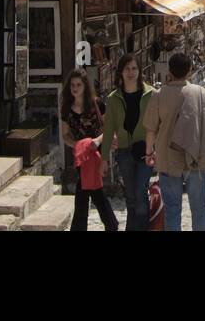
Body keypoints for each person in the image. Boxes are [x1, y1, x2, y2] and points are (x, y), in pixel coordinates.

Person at [142, 51, 205, 231]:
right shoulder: (203, 95)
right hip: (196, 156)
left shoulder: (159, 95)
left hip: (168, 157)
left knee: (172, 210)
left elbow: (151, 130)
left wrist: (149, 153)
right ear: (190, 70)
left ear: (169, 70)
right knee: (199, 210)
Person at [102, 53, 155, 231]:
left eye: (134, 68)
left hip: (145, 151)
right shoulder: (113, 99)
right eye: (127, 69)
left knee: (140, 192)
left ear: (139, 71)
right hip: (124, 152)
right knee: (131, 197)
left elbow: (159, 124)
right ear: (121, 72)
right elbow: (108, 129)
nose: (131, 72)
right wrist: (104, 159)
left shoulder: (151, 94)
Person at [61, 69, 118, 232]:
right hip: (81, 154)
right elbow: (65, 134)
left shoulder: (97, 104)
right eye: (72, 85)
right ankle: (111, 224)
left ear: (85, 86)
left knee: (87, 188)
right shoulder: (66, 108)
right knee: (91, 188)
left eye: (78, 85)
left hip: (96, 151)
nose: (75, 88)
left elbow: (109, 129)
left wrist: (95, 141)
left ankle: (100, 225)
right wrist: (78, 145)